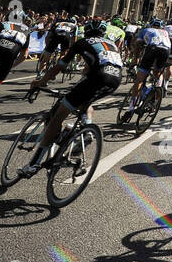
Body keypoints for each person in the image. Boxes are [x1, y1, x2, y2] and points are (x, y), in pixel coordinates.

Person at [19, 19, 124, 177]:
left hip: (99, 76)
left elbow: (60, 67)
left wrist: (41, 81)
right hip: (115, 79)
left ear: (87, 32)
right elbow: (93, 68)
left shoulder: (82, 42)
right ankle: (86, 128)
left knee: (57, 116)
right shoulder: (111, 44)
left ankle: (33, 164)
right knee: (85, 100)